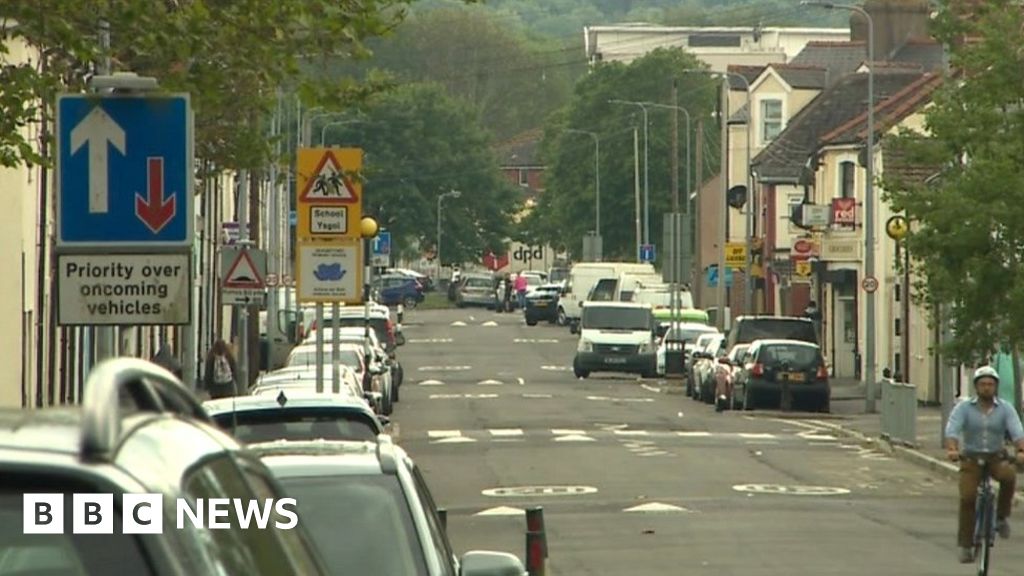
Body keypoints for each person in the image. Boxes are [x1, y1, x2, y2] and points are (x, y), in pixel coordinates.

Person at [944, 365, 1024, 563]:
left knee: (1009, 476)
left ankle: (1001, 517)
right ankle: (965, 545)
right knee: (968, 498)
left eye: (990, 384)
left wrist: (1021, 450)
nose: (986, 388)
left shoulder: (1005, 408)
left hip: (996, 457)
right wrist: (953, 449)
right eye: (982, 384)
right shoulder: (964, 408)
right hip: (971, 458)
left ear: (995, 387)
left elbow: (1017, 432)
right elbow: (952, 430)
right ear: (976, 387)